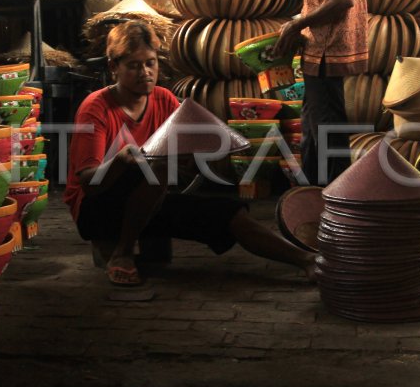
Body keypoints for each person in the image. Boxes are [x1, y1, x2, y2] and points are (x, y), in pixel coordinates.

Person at [64, 19, 316, 295]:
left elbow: (185, 171)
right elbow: (89, 183)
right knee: (155, 168)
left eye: (150, 63)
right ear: (114, 67)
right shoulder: (96, 108)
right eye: (134, 65)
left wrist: (198, 155)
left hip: (149, 202)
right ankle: (122, 253)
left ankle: (308, 261)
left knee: (228, 214)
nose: (145, 72)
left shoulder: (165, 100)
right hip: (97, 208)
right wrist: (122, 159)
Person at [272, 0, 369, 187]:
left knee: (327, 124)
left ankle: (337, 190)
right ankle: (313, 185)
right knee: (314, 119)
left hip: (329, 48)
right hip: (323, 48)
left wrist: (296, 24)